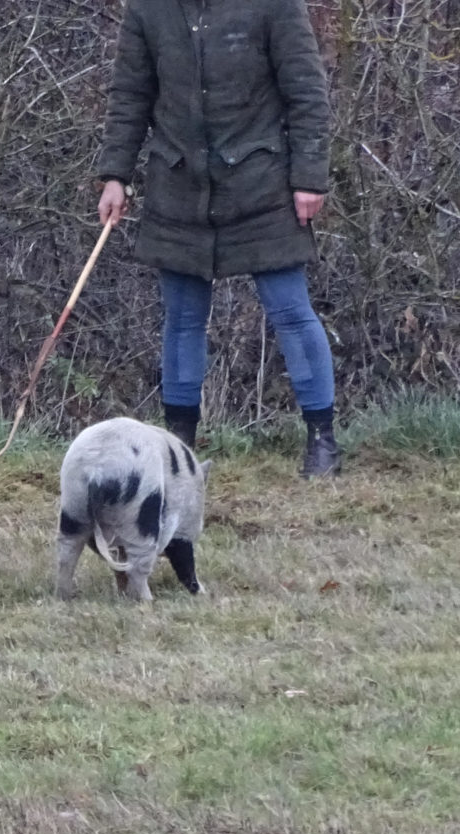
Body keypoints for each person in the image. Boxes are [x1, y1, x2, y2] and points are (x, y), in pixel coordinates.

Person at [95, 0, 342, 477]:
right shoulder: (148, 10)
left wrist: (309, 176)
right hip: (177, 186)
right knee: (182, 318)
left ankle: (322, 441)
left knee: (291, 313)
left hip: (263, 187)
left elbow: (307, 93)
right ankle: (177, 451)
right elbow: (130, 95)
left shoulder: (274, 6)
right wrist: (114, 174)